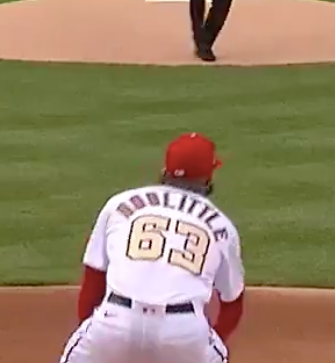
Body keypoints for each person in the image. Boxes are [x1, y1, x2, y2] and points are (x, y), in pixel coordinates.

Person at [59, 132, 245, 363]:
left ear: (164, 171)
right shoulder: (222, 226)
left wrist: (101, 342)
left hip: (116, 321)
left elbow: (93, 280)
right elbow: (232, 305)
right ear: (207, 178)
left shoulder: (119, 204)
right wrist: (201, 347)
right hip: (183, 331)